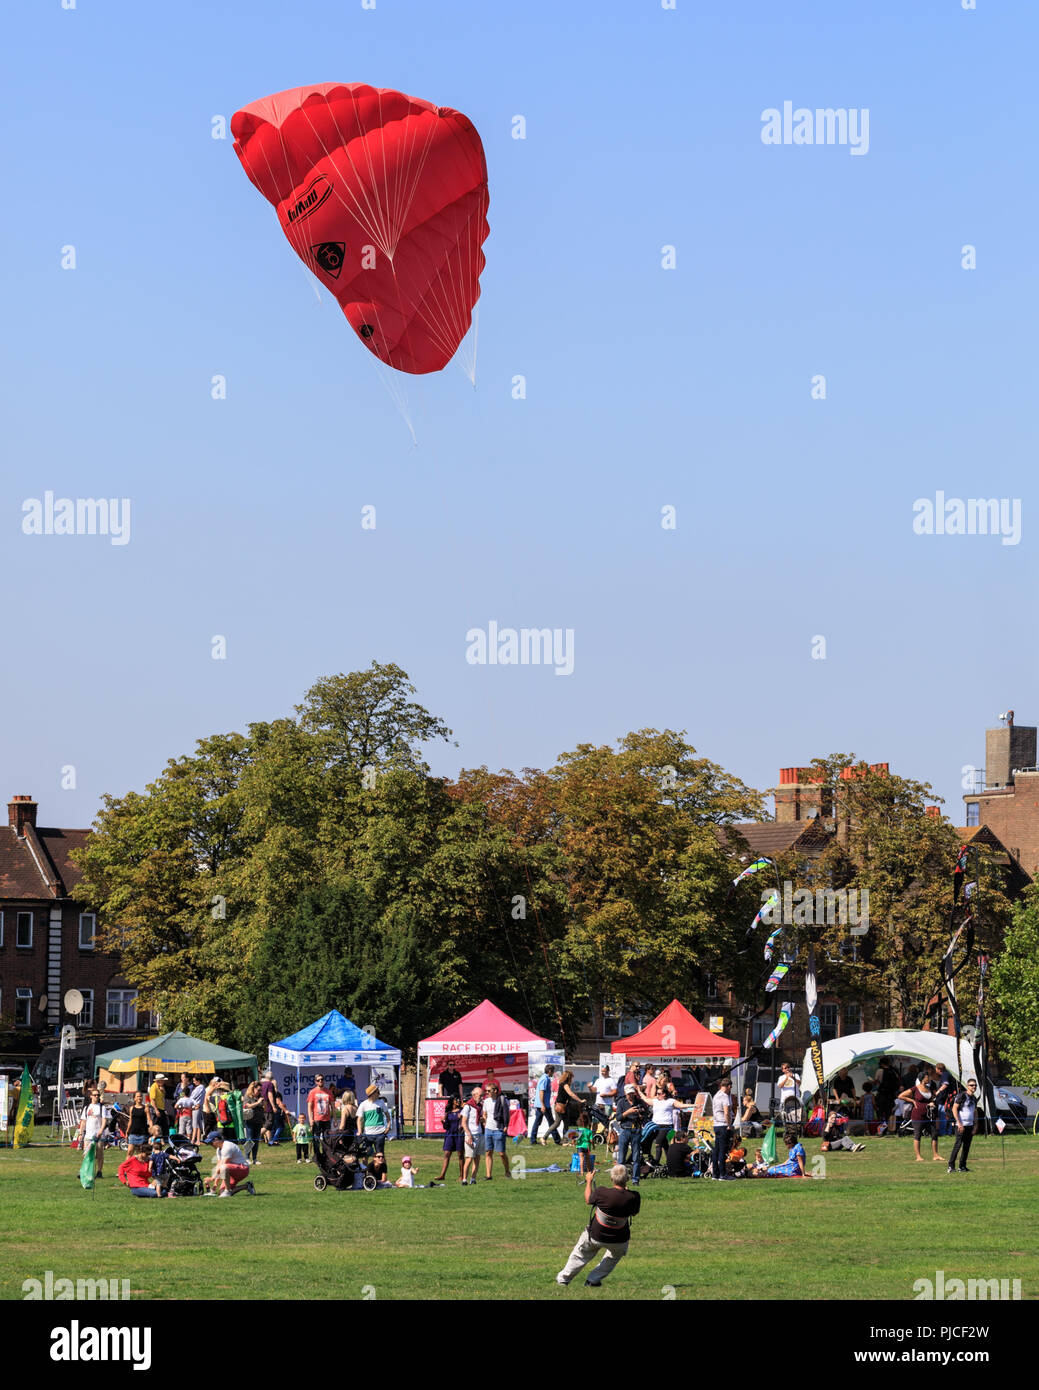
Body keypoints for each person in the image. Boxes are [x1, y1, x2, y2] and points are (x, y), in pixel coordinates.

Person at [556, 1165, 641, 1287]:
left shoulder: (601, 1192)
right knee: (613, 1256)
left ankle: (563, 1279)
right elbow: (634, 1213)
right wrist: (627, 1192)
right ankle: (593, 1280)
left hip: (595, 1234)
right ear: (627, 1178)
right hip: (619, 1239)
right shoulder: (634, 1196)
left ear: (612, 1178)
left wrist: (589, 1181)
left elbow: (588, 1200)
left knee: (580, 1255)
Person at [898, 1068, 942, 1163]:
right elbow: (901, 1096)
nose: (929, 1078)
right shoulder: (915, 1089)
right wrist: (912, 1100)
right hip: (917, 1116)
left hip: (929, 1116)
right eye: (927, 1077)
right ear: (922, 1079)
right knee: (917, 1135)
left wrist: (932, 1102)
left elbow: (931, 1098)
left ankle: (936, 1155)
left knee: (934, 1134)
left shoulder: (929, 1088)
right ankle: (918, 1156)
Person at [647, 1087, 694, 1166]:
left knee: (659, 1142)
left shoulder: (670, 1101)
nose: (657, 1095)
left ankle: (656, 1163)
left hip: (667, 1127)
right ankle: (670, 1162)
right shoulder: (656, 1101)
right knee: (665, 1145)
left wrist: (694, 1105)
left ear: (664, 1094)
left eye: (658, 1094)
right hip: (658, 1127)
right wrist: (638, 1091)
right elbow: (646, 1099)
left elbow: (682, 1106)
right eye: (656, 1094)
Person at [615, 1084, 648, 1186]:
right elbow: (618, 1118)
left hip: (636, 1131)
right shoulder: (621, 1102)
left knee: (636, 1157)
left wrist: (641, 1115)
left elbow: (646, 1115)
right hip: (625, 1130)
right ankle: (620, 1179)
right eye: (629, 1094)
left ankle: (635, 1180)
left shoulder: (639, 1102)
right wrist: (628, 1112)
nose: (631, 1095)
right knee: (621, 1158)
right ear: (625, 1093)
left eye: (632, 1093)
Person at [204, 1130, 254, 1196]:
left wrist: (212, 1178)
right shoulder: (219, 1149)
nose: (210, 1145)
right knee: (221, 1192)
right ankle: (247, 1186)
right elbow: (219, 1165)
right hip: (231, 1171)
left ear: (216, 1140)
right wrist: (215, 1183)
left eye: (211, 1143)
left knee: (224, 1167)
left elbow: (223, 1166)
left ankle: (227, 1191)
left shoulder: (227, 1147)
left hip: (242, 1169)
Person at [947, 1078, 979, 1174]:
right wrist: (959, 1123)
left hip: (970, 1125)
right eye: (971, 1085)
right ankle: (951, 1166)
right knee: (958, 1145)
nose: (974, 1087)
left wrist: (975, 1125)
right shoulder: (962, 1096)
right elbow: (954, 1109)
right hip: (960, 1125)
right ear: (967, 1086)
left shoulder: (974, 1098)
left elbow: (975, 1112)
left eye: (975, 1085)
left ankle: (962, 1166)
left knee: (966, 1147)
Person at [482, 1083, 511, 1180]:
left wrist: (506, 1126)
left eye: (488, 1091)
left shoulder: (502, 1100)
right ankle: (488, 1175)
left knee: (501, 1153)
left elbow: (507, 1114)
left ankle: (507, 1170)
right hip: (488, 1129)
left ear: (495, 1091)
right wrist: (484, 1121)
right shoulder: (486, 1101)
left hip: (499, 1129)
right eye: (486, 1091)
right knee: (488, 1152)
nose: (486, 1093)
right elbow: (485, 1113)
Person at [435, 1097, 467, 1184]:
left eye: (458, 1100)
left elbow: (465, 1121)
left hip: (459, 1134)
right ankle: (442, 1175)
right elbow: (446, 1127)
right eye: (456, 1100)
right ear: (452, 1101)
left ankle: (461, 1175)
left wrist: (461, 1117)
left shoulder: (462, 1110)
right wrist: (443, 1121)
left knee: (460, 1155)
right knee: (447, 1154)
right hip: (449, 1134)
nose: (458, 1101)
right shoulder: (448, 1112)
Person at [711, 1077, 735, 1179]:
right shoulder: (725, 1096)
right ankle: (722, 1174)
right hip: (723, 1125)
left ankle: (715, 1174)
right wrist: (729, 1124)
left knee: (716, 1150)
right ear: (729, 1086)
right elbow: (726, 1112)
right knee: (722, 1150)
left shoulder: (716, 1095)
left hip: (716, 1124)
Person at [357, 1082, 390, 1155]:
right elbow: (359, 1119)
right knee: (365, 1155)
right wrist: (359, 1131)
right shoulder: (363, 1104)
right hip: (368, 1134)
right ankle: (365, 1167)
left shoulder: (381, 1102)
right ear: (372, 1093)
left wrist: (388, 1127)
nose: (379, 1093)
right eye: (377, 1092)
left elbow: (388, 1116)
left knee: (380, 1155)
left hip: (380, 1134)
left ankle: (382, 1166)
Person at [530, 1066, 559, 1146]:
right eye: (553, 1071)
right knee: (552, 1123)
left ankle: (533, 1140)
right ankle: (557, 1140)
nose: (553, 1073)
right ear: (549, 1071)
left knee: (538, 1122)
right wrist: (543, 1105)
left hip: (543, 1104)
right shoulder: (544, 1079)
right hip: (543, 1105)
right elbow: (541, 1092)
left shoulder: (545, 1078)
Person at [307, 1073, 335, 1157]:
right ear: (316, 1082)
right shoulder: (312, 1092)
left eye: (322, 1079)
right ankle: (317, 1155)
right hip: (317, 1119)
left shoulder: (328, 1092)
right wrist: (311, 1119)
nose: (320, 1081)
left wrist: (335, 1119)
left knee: (327, 1138)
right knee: (316, 1138)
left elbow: (333, 1106)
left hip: (327, 1119)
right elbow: (309, 1107)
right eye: (318, 1080)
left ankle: (326, 1154)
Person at [461, 1086, 484, 1184]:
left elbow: (480, 1119)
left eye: (482, 1095)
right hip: (470, 1135)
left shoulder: (480, 1106)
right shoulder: (468, 1106)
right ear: (474, 1095)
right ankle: (464, 1179)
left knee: (477, 1158)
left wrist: (483, 1120)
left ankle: (473, 1179)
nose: (482, 1097)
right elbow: (463, 1122)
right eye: (480, 1095)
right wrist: (469, 1135)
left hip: (479, 1134)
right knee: (469, 1158)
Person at [552, 1070, 582, 1141]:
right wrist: (580, 1100)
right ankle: (544, 1137)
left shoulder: (563, 1084)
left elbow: (568, 1095)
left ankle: (565, 1140)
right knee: (557, 1123)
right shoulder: (565, 1085)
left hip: (564, 1106)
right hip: (560, 1106)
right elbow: (571, 1094)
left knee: (566, 1123)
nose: (572, 1079)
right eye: (571, 1078)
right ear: (569, 1078)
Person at [241, 1081, 265, 1162]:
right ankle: (247, 1158)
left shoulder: (260, 1097)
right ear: (253, 1089)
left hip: (258, 1121)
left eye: (261, 1090)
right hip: (250, 1121)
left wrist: (263, 1103)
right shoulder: (248, 1096)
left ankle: (255, 1159)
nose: (260, 1092)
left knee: (256, 1141)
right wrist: (258, 1102)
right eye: (258, 1090)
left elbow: (263, 1106)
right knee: (249, 1140)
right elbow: (247, 1106)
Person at [874, 1058, 899, 1130]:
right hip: (891, 1095)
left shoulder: (879, 1071)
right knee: (889, 1112)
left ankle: (882, 1129)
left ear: (881, 1063)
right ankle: (890, 1129)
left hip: (882, 1094)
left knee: (881, 1112)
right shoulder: (893, 1071)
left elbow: (876, 1081)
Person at [574, 1109, 594, 1176]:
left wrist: (573, 1143)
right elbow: (591, 1140)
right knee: (588, 1160)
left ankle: (582, 1172)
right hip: (587, 1146)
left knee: (581, 1159)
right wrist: (593, 1145)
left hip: (580, 1146)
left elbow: (574, 1139)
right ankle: (589, 1171)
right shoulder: (589, 1131)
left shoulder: (577, 1130)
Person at [189, 1074, 206, 1147]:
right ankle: (198, 1140)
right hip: (197, 1107)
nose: (193, 1082)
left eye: (194, 1081)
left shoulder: (200, 1087)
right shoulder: (200, 1087)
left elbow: (192, 1097)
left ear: (198, 1081)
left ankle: (193, 1140)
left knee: (195, 1124)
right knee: (198, 1124)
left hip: (196, 1107)